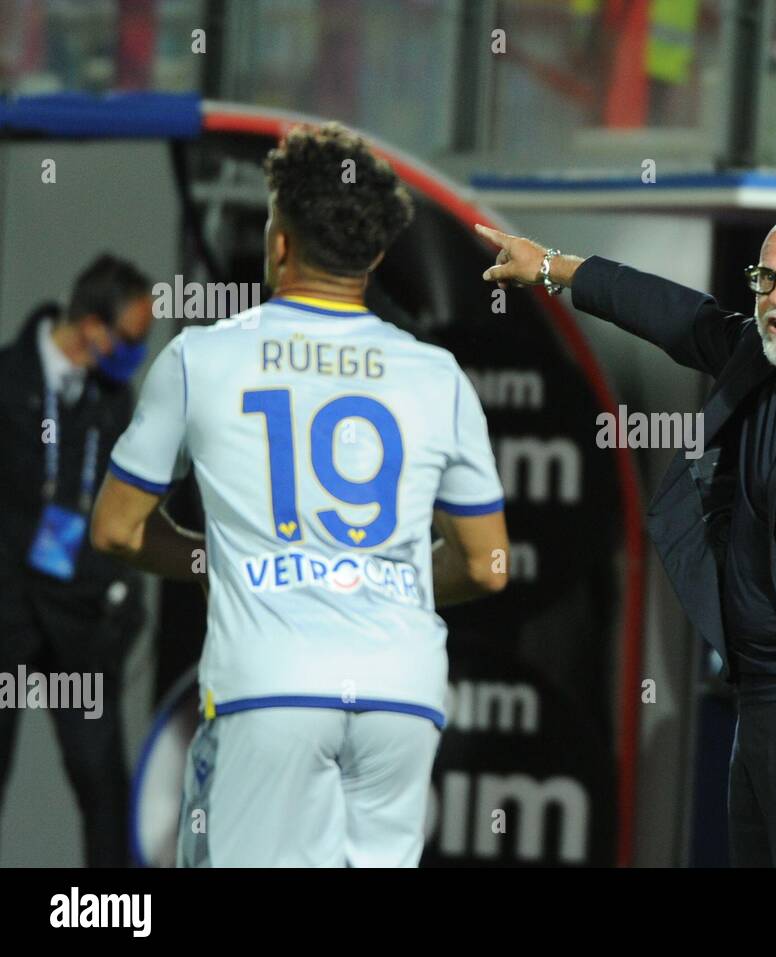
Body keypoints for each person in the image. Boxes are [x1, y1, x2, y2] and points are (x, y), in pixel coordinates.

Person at [477, 211, 776, 867]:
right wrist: (555, 267)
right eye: (768, 278)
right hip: (759, 700)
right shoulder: (764, 355)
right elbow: (679, 316)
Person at [90, 123, 509, 867]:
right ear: (376, 255)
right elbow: (487, 566)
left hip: (271, 691)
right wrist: (381, 581)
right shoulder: (437, 375)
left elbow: (118, 529)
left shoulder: (203, 356)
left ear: (278, 242)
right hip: (402, 699)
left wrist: (213, 560)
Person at [0, 254, 154, 867]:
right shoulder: (8, 381)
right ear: (91, 325)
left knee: (103, 786)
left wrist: (121, 606)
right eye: (131, 338)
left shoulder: (115, 399)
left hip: (82, 622)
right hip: (7, 614)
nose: (136, 353)